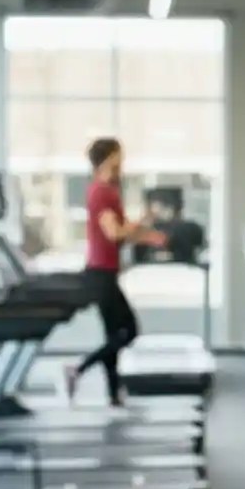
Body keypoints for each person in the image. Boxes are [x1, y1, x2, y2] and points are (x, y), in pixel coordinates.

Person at [64, 138, 166, 406]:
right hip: (100, 274)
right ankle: (78, 369)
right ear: (109, 158)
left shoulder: (105, 190)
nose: (123, 161)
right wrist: (141, 226)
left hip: (103, 271)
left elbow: (119, 235)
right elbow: (115, 233)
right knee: (129, 330)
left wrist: (148, 236)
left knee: (113, 335)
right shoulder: (102, 192)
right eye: (120, 155)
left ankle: (113, 394)